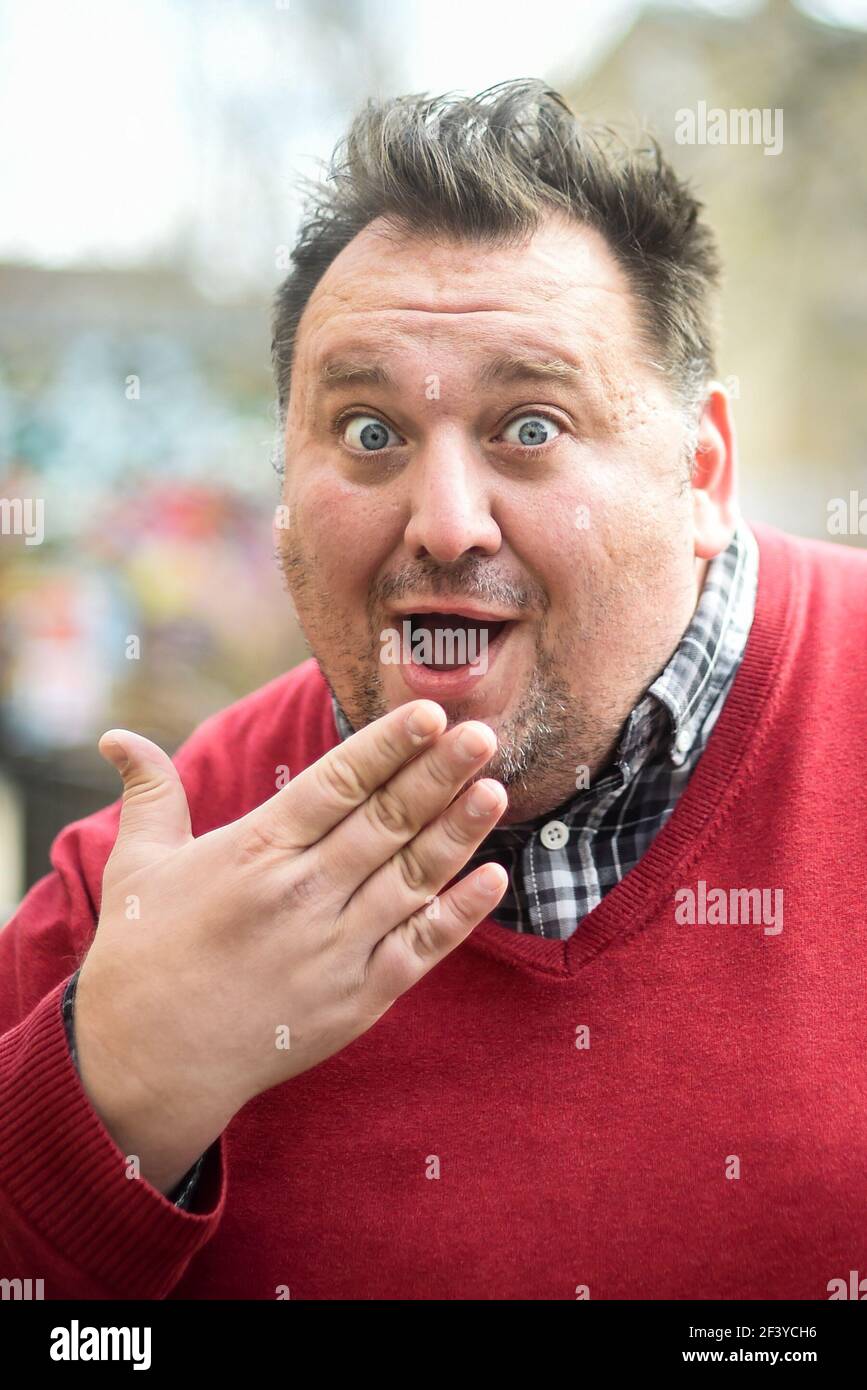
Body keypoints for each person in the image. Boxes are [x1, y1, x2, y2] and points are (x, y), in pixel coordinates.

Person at [1, 79, 865, 1301]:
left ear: (701, 475)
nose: (447, 524)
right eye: (366, 432)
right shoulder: (150, 885)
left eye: (532, 426)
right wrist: (113, 1084)